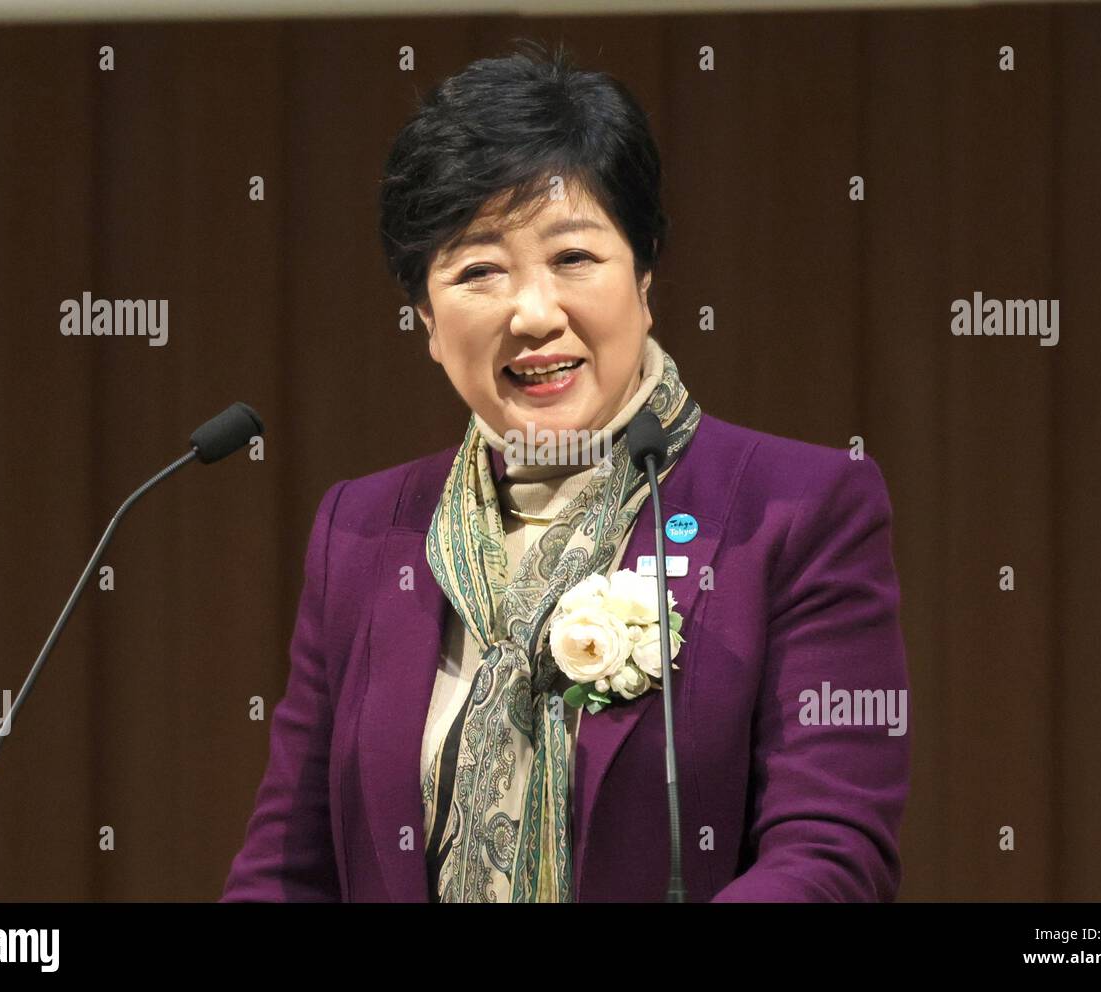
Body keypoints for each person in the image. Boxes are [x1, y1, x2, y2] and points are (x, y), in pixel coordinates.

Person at [221, 41, 909, 903]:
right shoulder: (362, 530)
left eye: (574, 258)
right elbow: (287, 874)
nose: (534, 313)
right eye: (478, 271)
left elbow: (830, 857)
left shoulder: (799, 509)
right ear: (428, 322)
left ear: (645, 274)